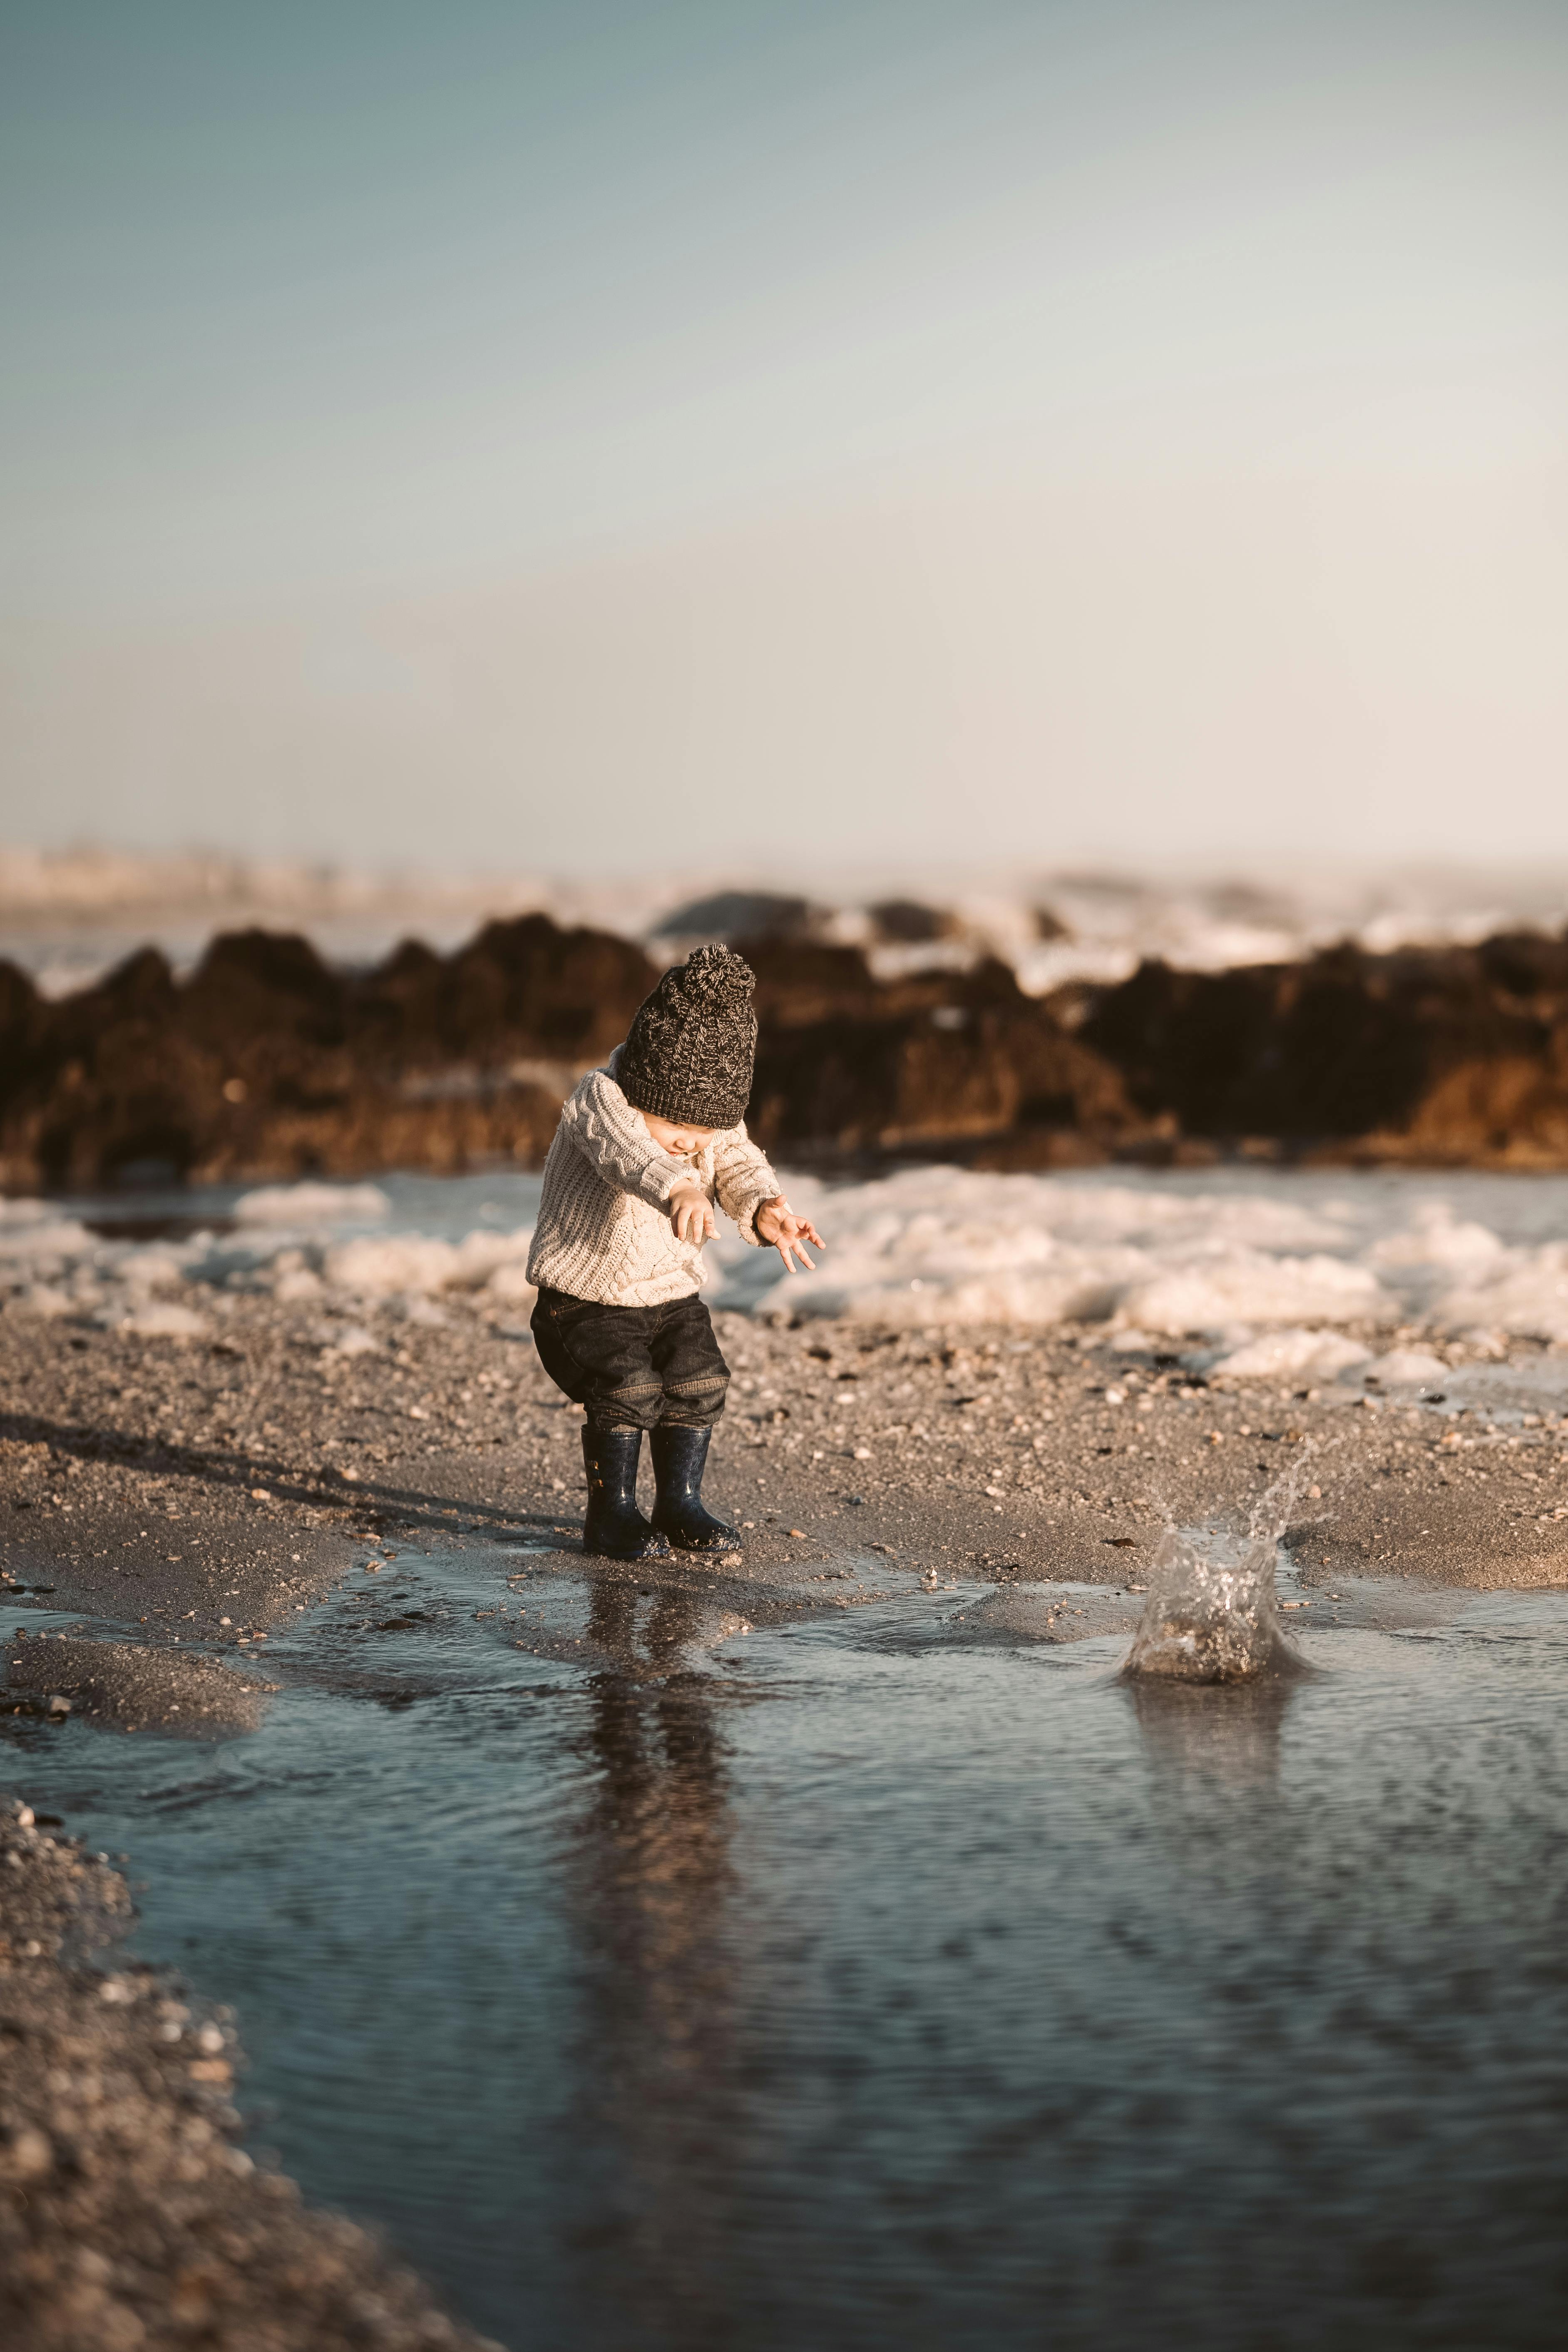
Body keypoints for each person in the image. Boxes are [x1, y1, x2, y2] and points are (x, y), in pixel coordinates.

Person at [527, 944, 826, 1560]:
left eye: (701, 1137)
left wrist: (767, 1208)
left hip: (669, 1294)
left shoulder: (710, 1126)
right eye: (677, 1134)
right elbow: (631, 1153)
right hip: (583, 1303)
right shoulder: (602, 1100)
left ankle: (679, 1502)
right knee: (630, 1388)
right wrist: (679, 1182)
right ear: (642, 1088)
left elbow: (738, 1160)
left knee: (699, 1378)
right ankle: (611, 1515)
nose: (692, 1146)